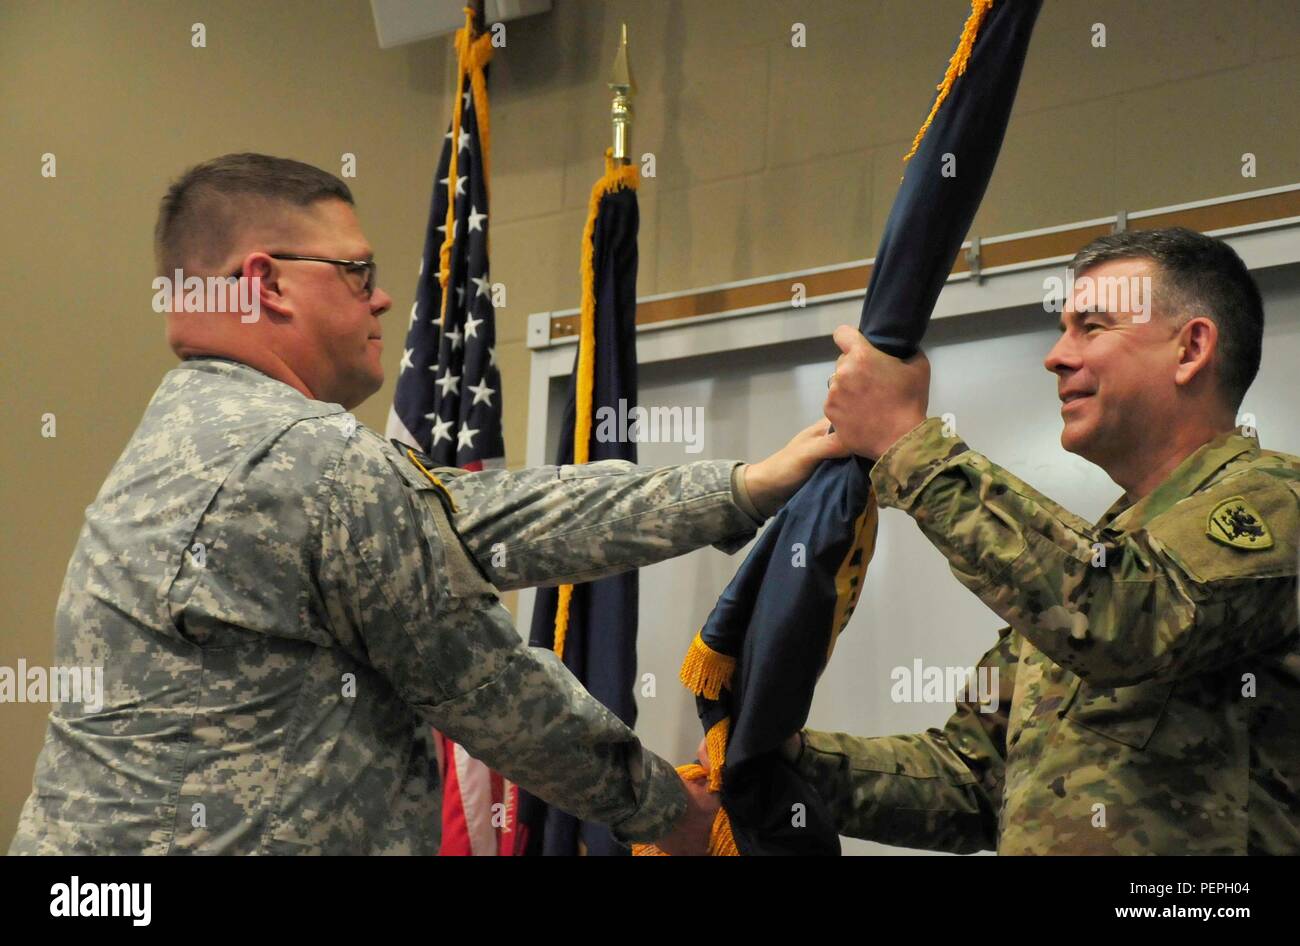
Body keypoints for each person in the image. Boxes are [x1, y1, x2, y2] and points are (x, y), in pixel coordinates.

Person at [8, 153, 847, 855]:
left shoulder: (186, 440)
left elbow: (483, 515)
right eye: (356, 272)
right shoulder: (311, 460)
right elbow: (493, 691)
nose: (379, 299)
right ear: (263, 283)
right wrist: (678, 816)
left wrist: (743, 487)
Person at [789, 227, 1298, 854]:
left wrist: (909, 444)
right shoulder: (1097, 555)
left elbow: (1123, 620)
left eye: (1092, 326)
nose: (1056, 356)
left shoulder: (1278, 500)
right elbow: (970, 781)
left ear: (1191, 348)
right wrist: (785, 764)